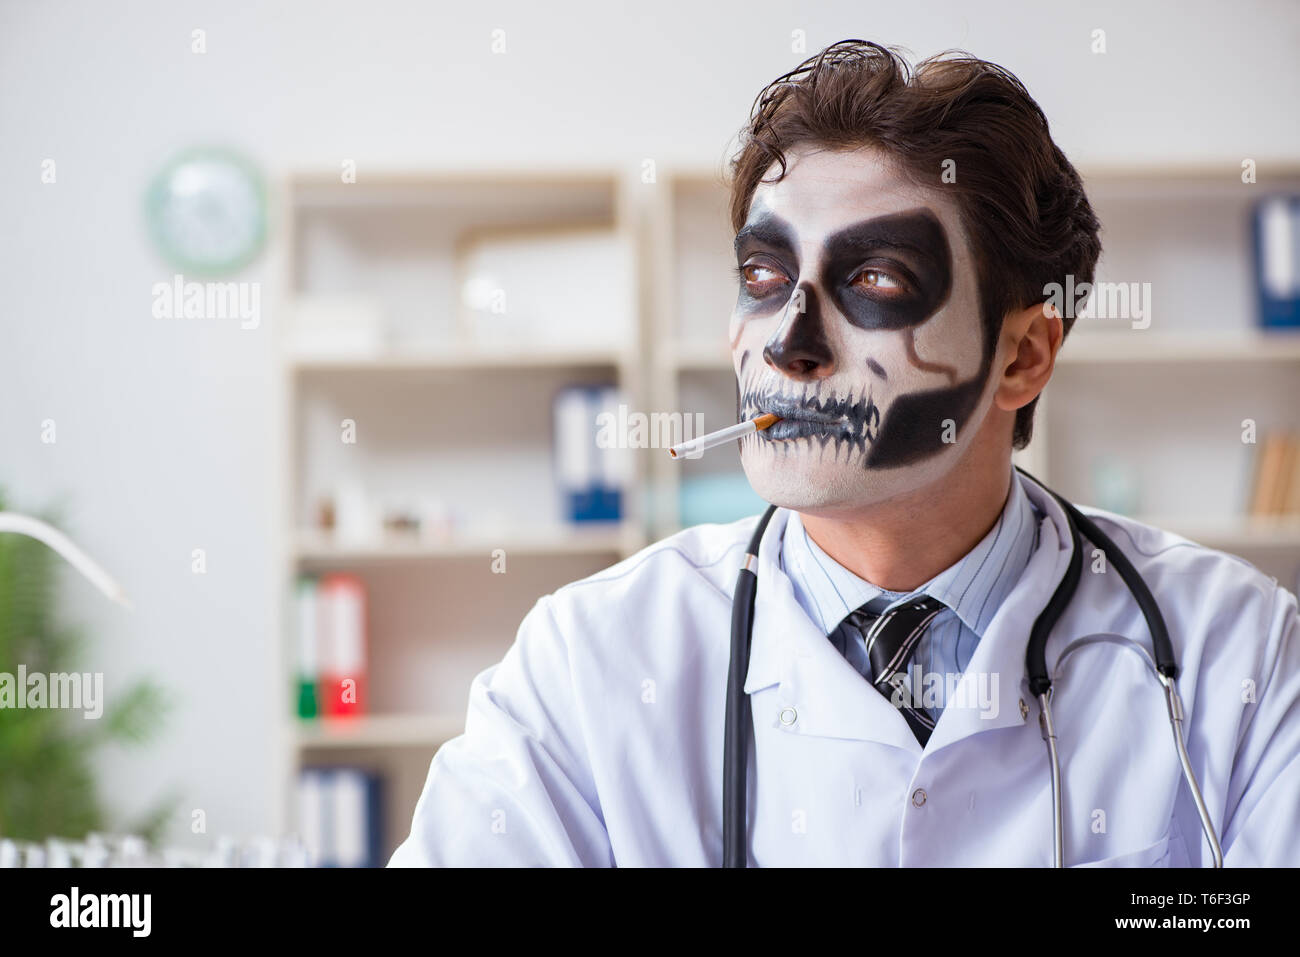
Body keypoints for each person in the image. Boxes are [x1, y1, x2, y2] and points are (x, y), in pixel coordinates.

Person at [389, 40, 1300, 867]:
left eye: (875, 279)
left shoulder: (1239, 655)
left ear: (1022, 355)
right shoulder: (586, 663)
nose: (789, 343)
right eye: (764, 277)